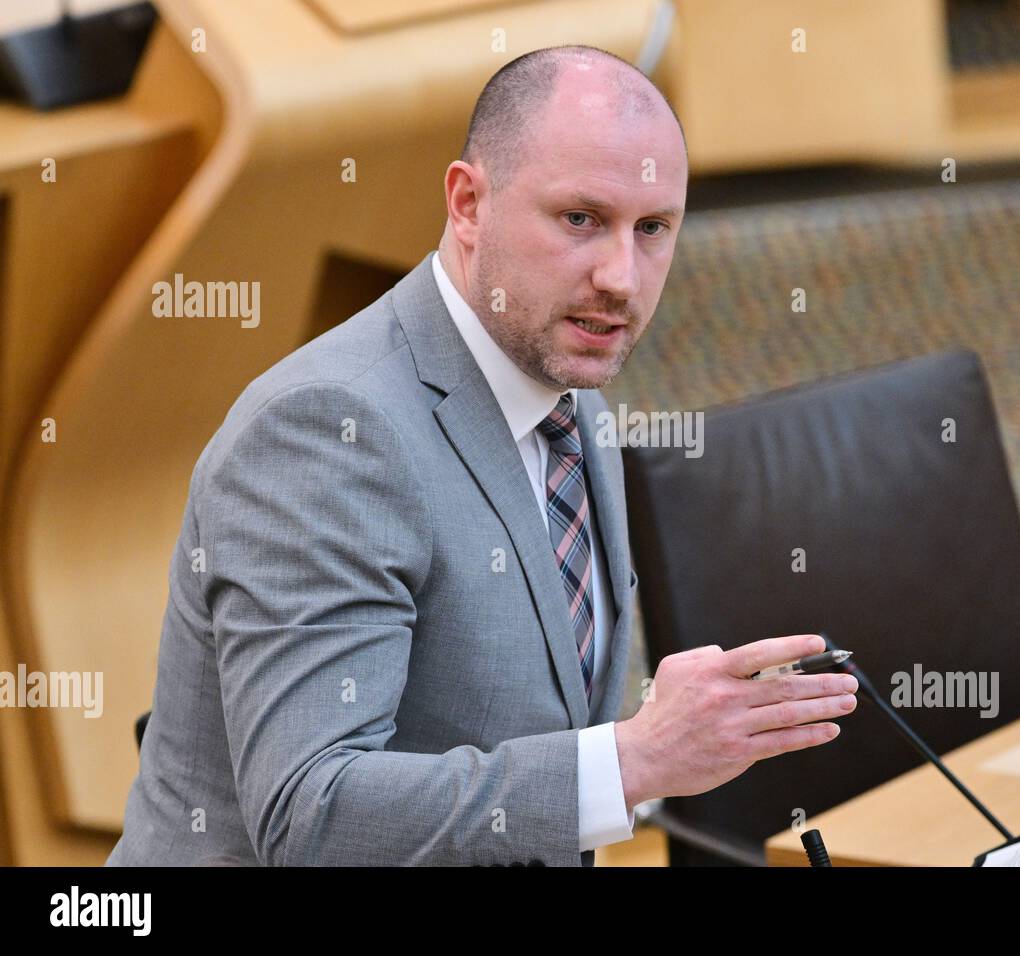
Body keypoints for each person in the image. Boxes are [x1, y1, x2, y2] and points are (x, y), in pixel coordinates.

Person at [107, 43, 857, 867]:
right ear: (468, 203)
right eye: (580, 219)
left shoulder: (571, 400)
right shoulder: (327, 432)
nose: (621, 276)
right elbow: (311, 818)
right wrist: (631, 761)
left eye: (653, 229)